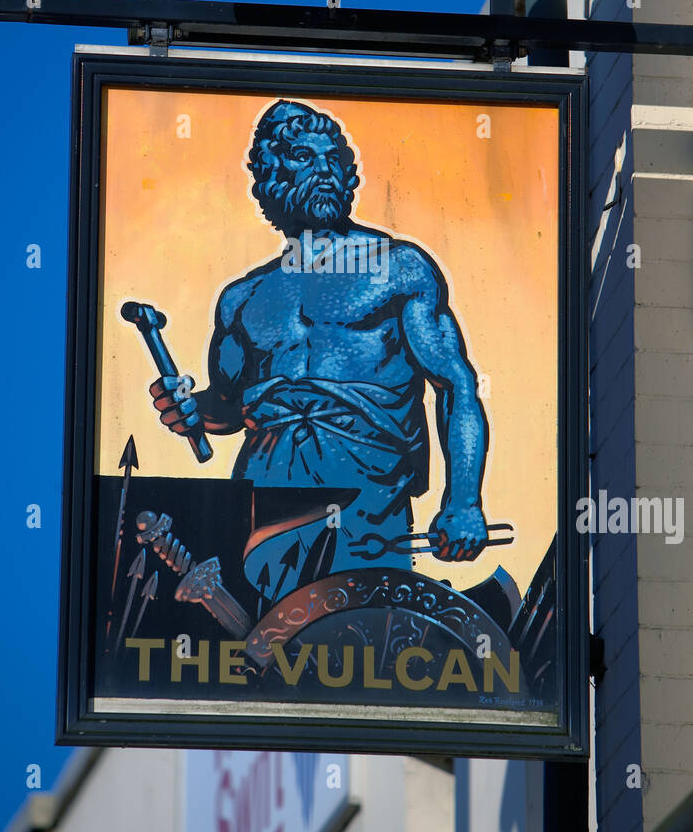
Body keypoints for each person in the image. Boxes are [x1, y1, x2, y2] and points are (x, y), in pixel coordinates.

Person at [150, 99, 491, 597]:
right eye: (306, 159)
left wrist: (464, 502)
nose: (327, 171)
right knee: (263, 650)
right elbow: (226, 408)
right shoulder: (241, 299)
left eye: (335, 160)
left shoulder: (399, 267)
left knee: (363, 648)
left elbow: (456, 385)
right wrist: (186, 408)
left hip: (368, 505)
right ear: (269, 175)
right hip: (264, 505)